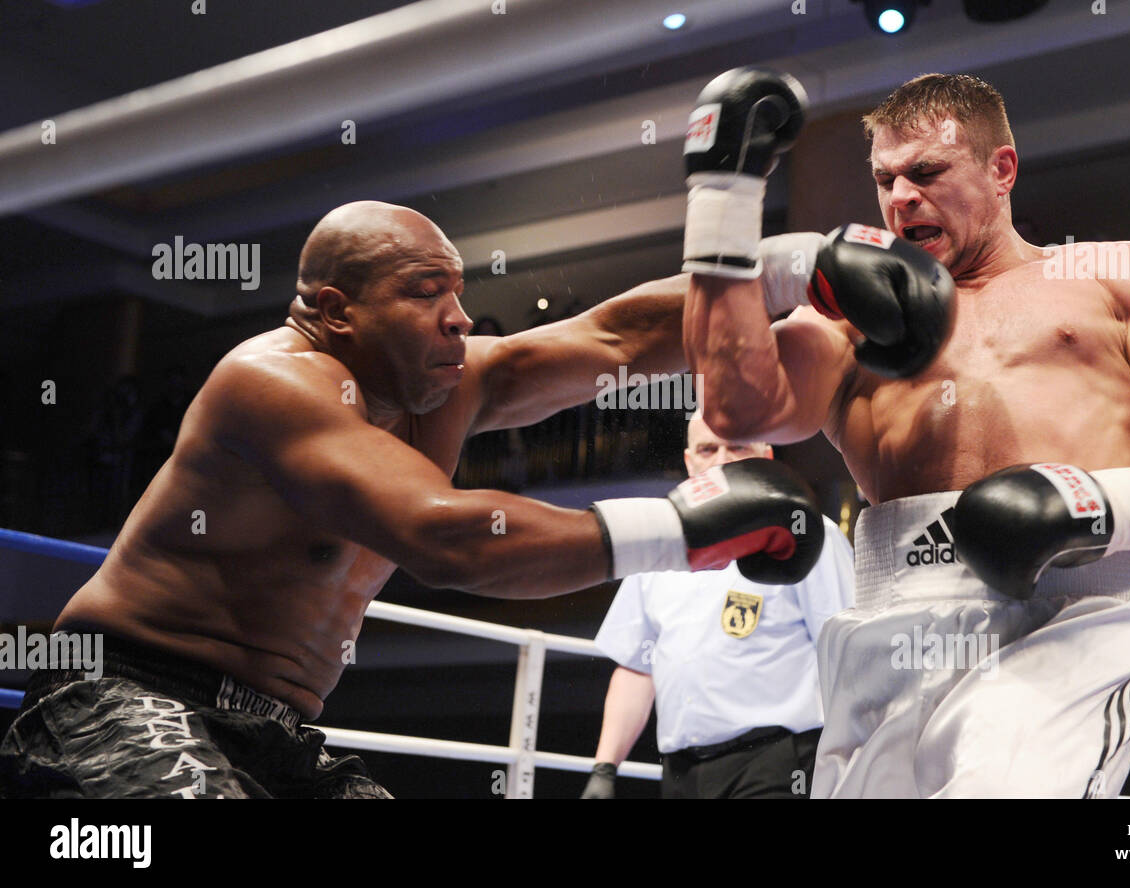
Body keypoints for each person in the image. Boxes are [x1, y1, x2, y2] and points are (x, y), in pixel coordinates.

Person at [0, 201, 826, 799]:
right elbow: (449, 539)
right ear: (336, 311)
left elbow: (614, 338)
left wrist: (801, 270)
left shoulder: (452, 385)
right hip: (122, 701)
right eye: (426, 292)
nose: (459, 319)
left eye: (458, 292)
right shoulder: (273, 383)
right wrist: (684, 530)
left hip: (278, 733)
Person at [680, 69, 1130, 797]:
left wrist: (1088, 504)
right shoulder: (855, 310)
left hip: (1069, 613)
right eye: (886, 179)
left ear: (1002, 170)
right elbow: (745, 411)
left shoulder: (1117, 281)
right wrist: (722, 201)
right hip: (886, 623)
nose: (902, 198)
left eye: (927, 172)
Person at [581, 411, 853, 799]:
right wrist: (605, 769)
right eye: (708, 448)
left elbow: (845, 655)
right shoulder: (657, 546)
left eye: (737, 445)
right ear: (690, 462)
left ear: (766, 457)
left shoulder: (807, 535)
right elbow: (636, 668)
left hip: (775, 761)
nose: (722, 459)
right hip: (681, 773)